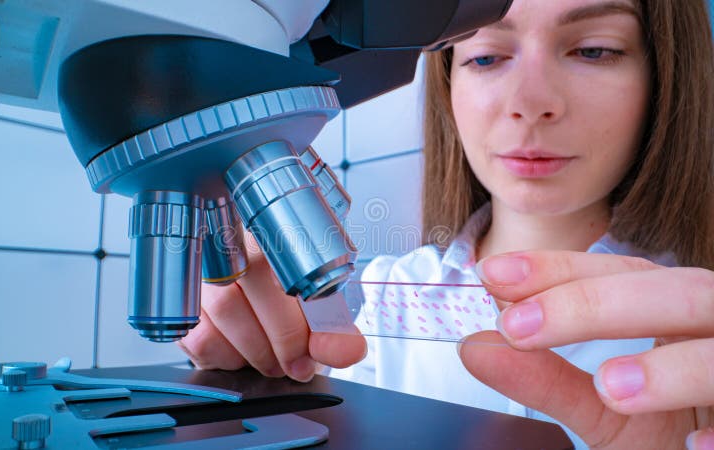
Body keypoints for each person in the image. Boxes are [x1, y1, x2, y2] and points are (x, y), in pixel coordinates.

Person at [178, 0, 714, 448]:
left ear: (665, 74)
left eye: (593, 50)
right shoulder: (371, 307)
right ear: (447, 84)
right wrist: (252, 378)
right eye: (485, 57)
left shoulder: (699, 334)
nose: (530, 104)